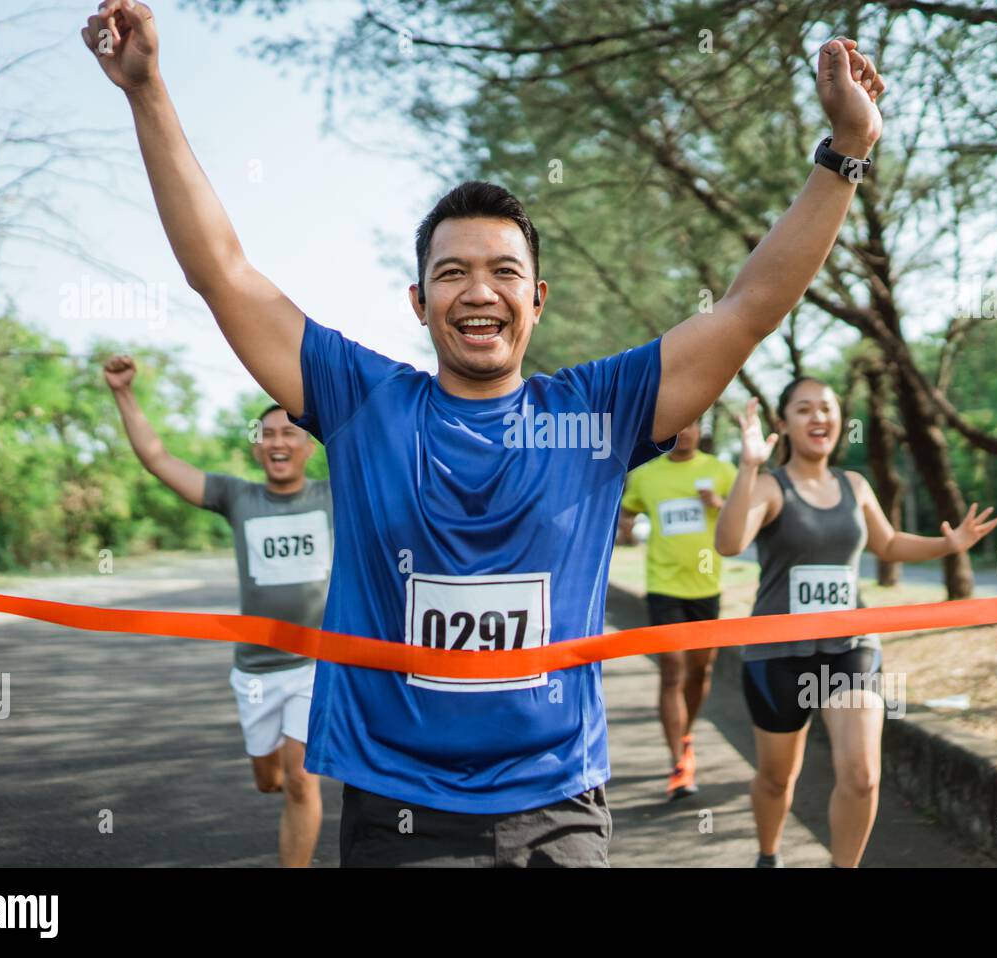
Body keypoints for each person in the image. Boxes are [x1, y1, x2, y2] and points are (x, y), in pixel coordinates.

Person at [82, 0, 887, 867]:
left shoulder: (600, 412)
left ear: (536, 301)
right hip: (397, 809)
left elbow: (748, 307)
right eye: (451, 273)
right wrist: (148, 93)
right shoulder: (361, 400)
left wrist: (845, 155)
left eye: (505, 271)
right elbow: (223, 272)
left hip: (559, 808)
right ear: (419, 302)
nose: (478, 291)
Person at [715, 383, 997, 868]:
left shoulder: (854, 486)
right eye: (803, 410)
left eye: (826, 407)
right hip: (777, 654)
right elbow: (728, 542)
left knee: (862, 774)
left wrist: (947, 545)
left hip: (849, 645)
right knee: (777, 778)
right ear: (782, 424)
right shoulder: (769, 486)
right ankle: (768, 856)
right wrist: (747, 467)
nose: (817, 417)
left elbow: (887, 544)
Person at [103, 354, 331, 868]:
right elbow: (160, 459)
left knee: (300, 778)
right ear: (256, 447)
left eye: (290, 433)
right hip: (254, 671)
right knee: (269, 778)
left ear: (307, 445)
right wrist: (124, 393)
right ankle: (270, 773)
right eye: (268, 434)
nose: (278, 441)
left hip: (315, 666)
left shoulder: (332, 496)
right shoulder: (237, 496)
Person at [619, 419, 736, 799]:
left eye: (693, 425)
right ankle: (678, 761)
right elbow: (628, 510)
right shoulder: (647, 475)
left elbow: (744, 516)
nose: (684, 432)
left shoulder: (720, 471)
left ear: (701, 428)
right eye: (678, 425)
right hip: (662, 587)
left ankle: (685, 734)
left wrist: (720, 504)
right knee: (672, 669)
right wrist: (624, 527)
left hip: (705, 586)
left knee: (700, 670)